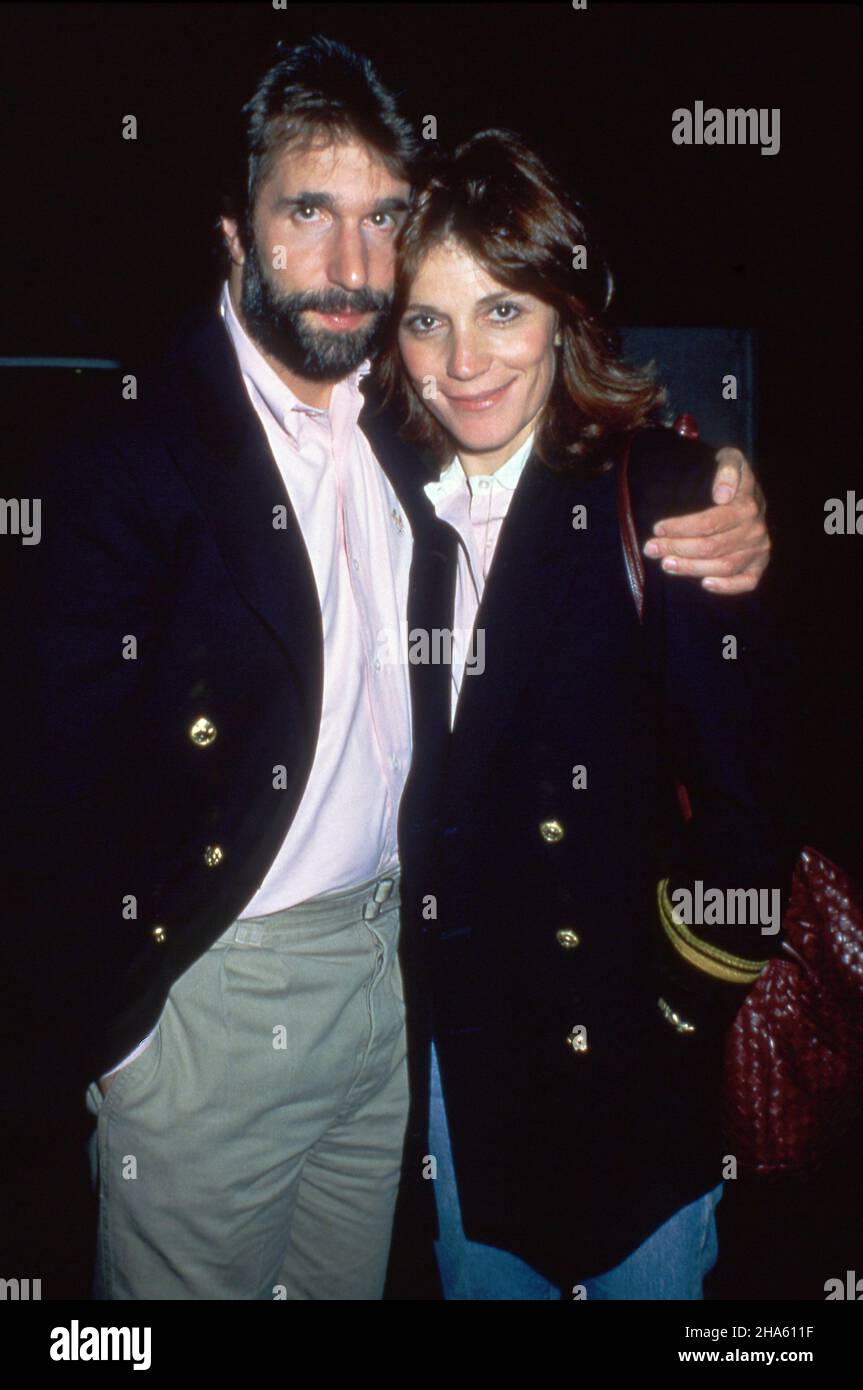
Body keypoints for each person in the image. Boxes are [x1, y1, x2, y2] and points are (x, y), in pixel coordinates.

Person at [1, 40, 771, 1301]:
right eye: (310, 213)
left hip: (406, 1007)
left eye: (380, 223)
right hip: (230, 1007)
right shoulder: (135, 452)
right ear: (237, 240)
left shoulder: (413, 451)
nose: (355, 270)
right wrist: (122, 1033)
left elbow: (741, 781)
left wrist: (723, 480)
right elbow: (41, 784)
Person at [376, 128, 804, 1299]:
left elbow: (752, 819)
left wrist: (672, 1022)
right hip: (467, 1093)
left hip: (631, 1097)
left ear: (564, 315)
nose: (463, 360)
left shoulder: (654, 490)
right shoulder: (387, 514)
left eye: (501, 311)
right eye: (426, 320)